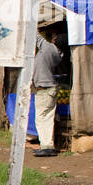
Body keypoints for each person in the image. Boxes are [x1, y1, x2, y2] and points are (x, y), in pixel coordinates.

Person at [32, 25, 63, 158]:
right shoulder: (58, 53)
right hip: (50, 87)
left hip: (45, 88)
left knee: (41, 118)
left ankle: (46, 146)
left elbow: (36, 36)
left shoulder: (48, 48)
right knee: (48, 117)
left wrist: (29, 21)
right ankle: (48, 145)